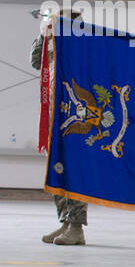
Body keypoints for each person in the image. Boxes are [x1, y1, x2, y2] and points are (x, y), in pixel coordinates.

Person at [31, 12, 88, 245]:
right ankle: (65, 222)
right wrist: (42, 36)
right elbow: (36, 62)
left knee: (74, 173)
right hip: (55, 120)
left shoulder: (83, 50)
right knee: (57, 171)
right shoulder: (54, 46)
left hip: (75, 122)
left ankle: (77, 228)